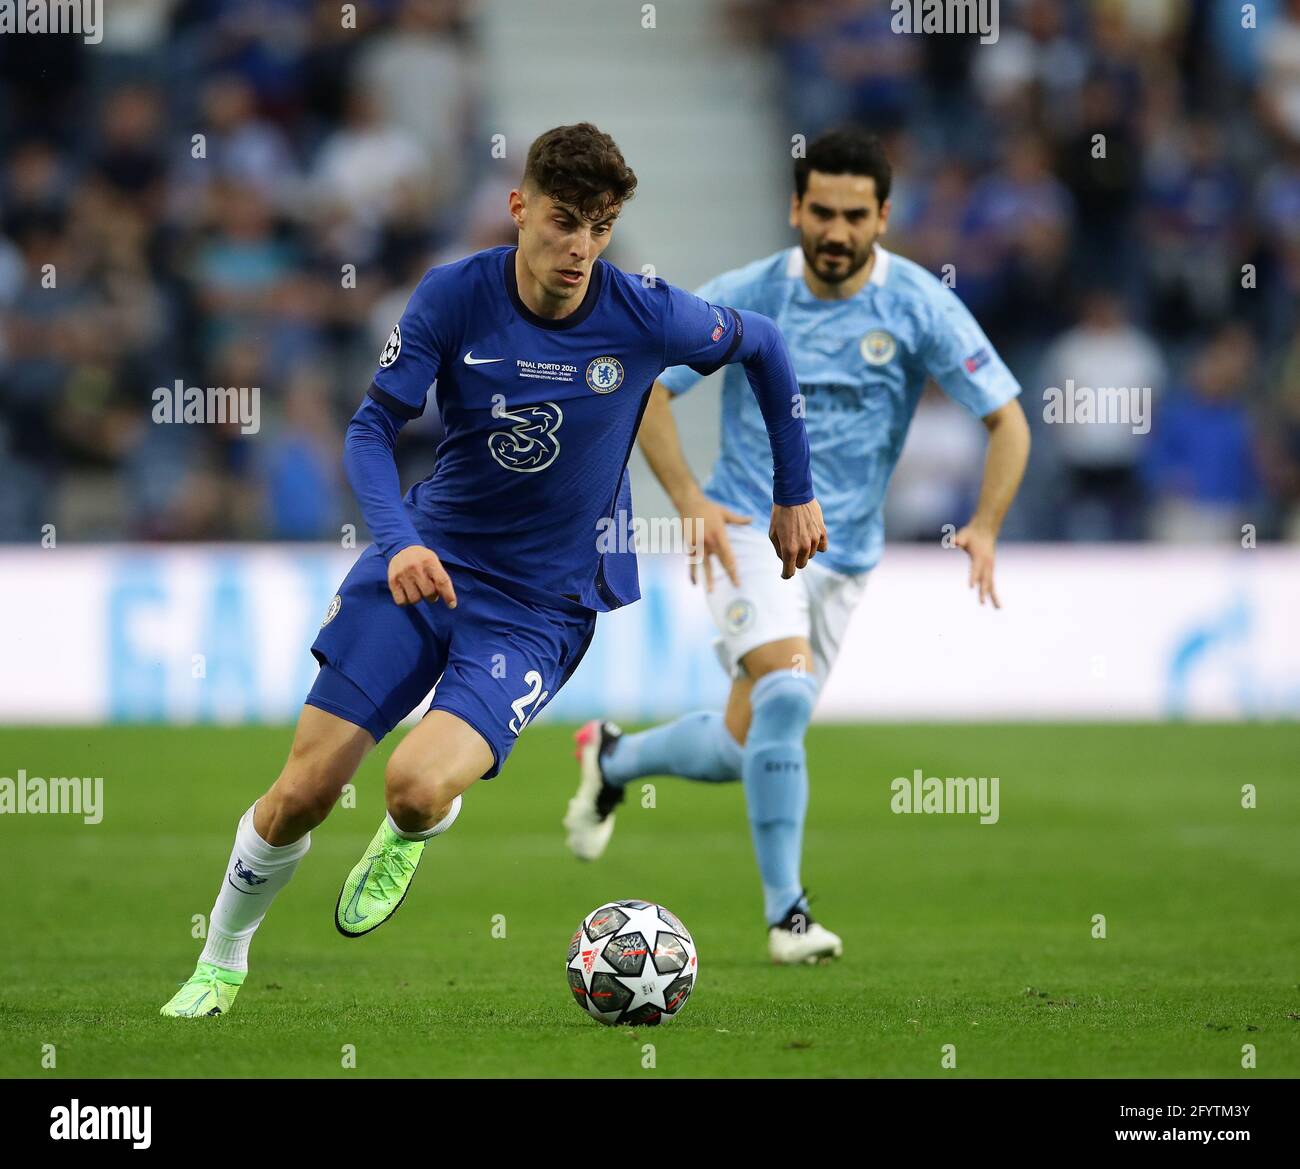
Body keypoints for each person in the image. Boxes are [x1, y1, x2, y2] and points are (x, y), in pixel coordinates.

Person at [161, 123, 827, 1017]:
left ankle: (414, 827)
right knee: (303, 794)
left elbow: (767, 345)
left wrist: (796, 492)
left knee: (414, 785)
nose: (580, 248)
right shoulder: (453, 296)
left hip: (540, 606)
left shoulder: (645, 312)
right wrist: (398, 539)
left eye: (599, 225)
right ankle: (221, 957)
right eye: (563, 221)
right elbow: (369, 428)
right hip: (425, 561)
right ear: (520, 208)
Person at [563, 128, 1030, 965]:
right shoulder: (748, 295)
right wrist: (692, 502)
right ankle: (789, 917)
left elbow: (1007, 418)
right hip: (746, 527)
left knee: (747, 745)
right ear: (795, 208)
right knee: (783, 694)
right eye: (822, 211)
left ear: (884, 216)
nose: (837, 231)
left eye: (856, 214)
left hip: (844, 558)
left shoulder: (918, 303)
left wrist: (987, 523)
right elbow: (647, 390)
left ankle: (616, 756)